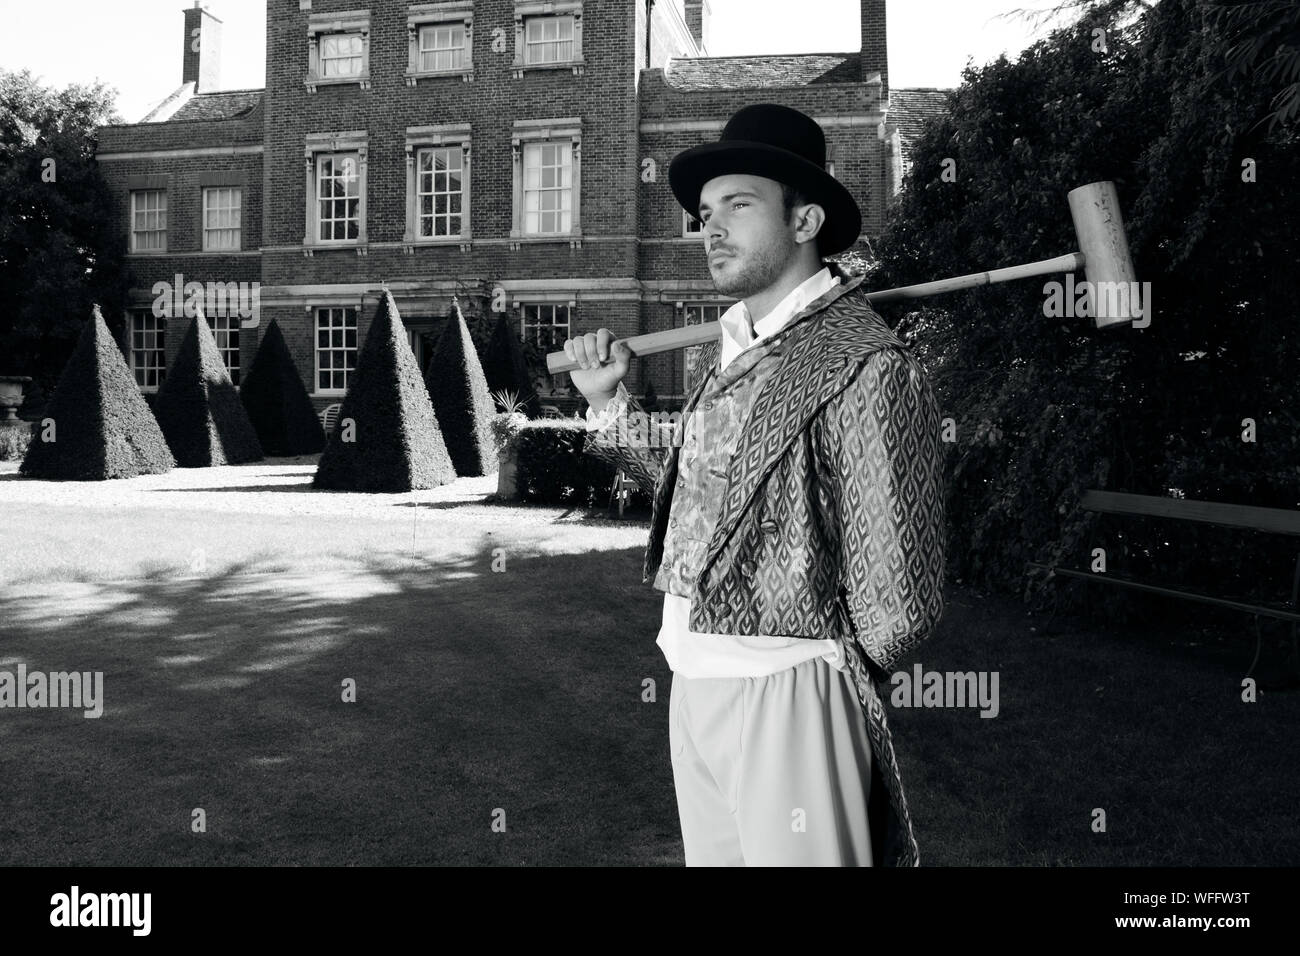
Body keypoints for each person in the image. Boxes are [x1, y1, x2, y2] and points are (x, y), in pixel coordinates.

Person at [565, 103, 946, 866]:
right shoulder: (736, 347)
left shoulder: (866, 363)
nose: (711, 228)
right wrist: (609, 403)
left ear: (805, 220)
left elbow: (902, 600)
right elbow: (690, 503)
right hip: (694, 680)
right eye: (705, 212)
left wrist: (812, 673)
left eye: (738, 205)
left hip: (789, 693)